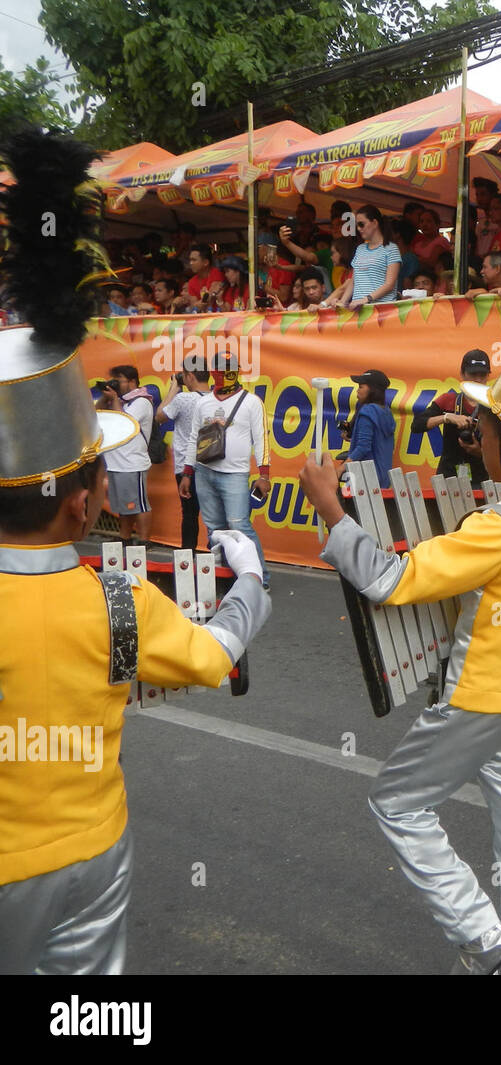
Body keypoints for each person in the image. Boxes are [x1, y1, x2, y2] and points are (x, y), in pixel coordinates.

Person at [0, 125, 271, 976]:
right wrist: (251, 579)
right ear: (83, 501)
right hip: (95, 855)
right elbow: (210, 655)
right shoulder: (121, 600)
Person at [298, 333, 501, 976]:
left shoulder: (495, 528)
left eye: (482, 429)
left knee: (397, 803)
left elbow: (387, 581)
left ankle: (484, 939)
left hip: (478, 699)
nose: (474, 437)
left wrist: (330, 508)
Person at [180, 354, 271, 589]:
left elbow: (262, 440)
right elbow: (194, 438)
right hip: (204, 472)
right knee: (215, 530)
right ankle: (224, 576)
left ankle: (259, 577)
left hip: (235, 474)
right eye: (222, 369)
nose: (227, 373)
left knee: (239, 526)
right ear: (213, 372)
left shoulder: (251, 402)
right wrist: (187, 473)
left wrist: (264, 475)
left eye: (232, 369)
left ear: (238, 370)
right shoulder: (203, 403)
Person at [412, 349, 490, 484]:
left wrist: (480, 452)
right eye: (473, 374)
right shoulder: (448, 400)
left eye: (482, 375)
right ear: (462, 374)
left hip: (483, 479)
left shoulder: (495, 406)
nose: (478, 379)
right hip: (448, 476)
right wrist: (447, 417)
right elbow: (417, 425)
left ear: (488, 376)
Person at [96, 365, 154, 546]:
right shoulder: (122, 401)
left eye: (118, 381)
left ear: (132, 381)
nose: (116, 385)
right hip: (116, 463)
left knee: (139, 505)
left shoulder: (142, 402)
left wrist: (114, 400)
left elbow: (125, 423)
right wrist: (106, 398)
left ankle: (145, 541)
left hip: (133, 463)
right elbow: (95, 414)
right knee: (124, 506)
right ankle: (125, 537)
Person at [160, 358, 210, 550]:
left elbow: (159, 416)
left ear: (189, 375)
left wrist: (174, 386)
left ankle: (187, 558)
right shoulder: (215, 398)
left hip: (185, 465)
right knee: (213, 514)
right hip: (211, 464)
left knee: (189, 514)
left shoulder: (183, 399)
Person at [319, 205, 400, 308]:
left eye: (361, 224)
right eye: (357, 225)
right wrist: (343, 301)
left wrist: (366, 299)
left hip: (382, 311)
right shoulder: (360, 249)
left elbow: (390, 284)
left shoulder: (391, 248)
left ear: (375, 223)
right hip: (359, 311)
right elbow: (354, 280)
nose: (358, 228)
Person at [340, 369, 397, 489]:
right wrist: (354, 438)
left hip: (364, 481)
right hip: (383, 479)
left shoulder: (367, 412)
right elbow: (378, 442)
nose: (357, 390)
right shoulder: (386, 411)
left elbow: (363, 447)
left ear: (372, 390)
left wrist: (340, 469)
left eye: (361, 386)